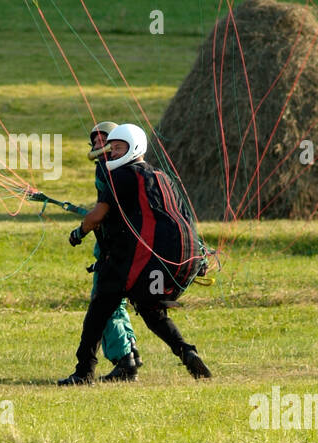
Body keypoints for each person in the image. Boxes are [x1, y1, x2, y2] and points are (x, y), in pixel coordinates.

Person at [59, 123, 211, 385]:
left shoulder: (120, 177)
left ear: (134, 148)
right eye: (112, 148)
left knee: (98, 312)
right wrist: (202, 254)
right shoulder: (163, 177)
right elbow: (183, 217)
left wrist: (78, 233)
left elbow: (97, 215)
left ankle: (84, 372)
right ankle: (186, 351)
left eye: (119, 148)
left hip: (134, 262)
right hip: (168, 261)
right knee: (152, 313)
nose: (114, 153)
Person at [85, 122, 141, 381]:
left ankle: (124, 361)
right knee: (116, 304)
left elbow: (108, 211)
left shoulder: (115, 172)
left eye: (104, 141)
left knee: (106, 304)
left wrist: (84, 227)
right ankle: (131, 351)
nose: (99, 146)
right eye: (94, 142)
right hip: (118, 245)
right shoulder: (112, 170)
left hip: (114, 248)